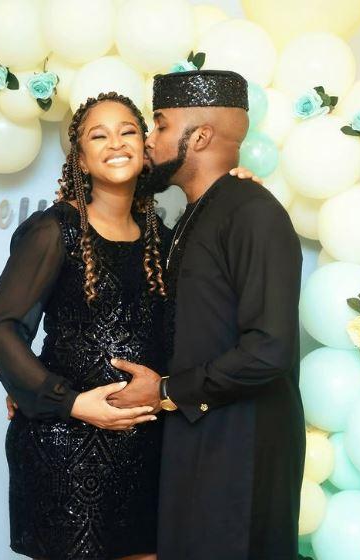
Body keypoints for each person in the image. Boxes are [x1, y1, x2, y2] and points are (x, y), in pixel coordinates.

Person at [0, 89, 258, 560]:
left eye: (128, 131)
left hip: (145, 443)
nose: (115, 143)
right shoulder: (55, 229)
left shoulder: (165, 238)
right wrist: (65, 401)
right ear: (81, 160)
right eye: (98, 135)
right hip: (66, 444)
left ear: (146, 150)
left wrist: (238, 188)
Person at [110, 68, 306, 560]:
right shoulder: (196, 214)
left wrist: (166, 391)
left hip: (242, 449)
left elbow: (270, 348)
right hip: (197, 437)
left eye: (159, 124)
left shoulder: (253, 212)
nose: (149, 139)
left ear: (198, 137)